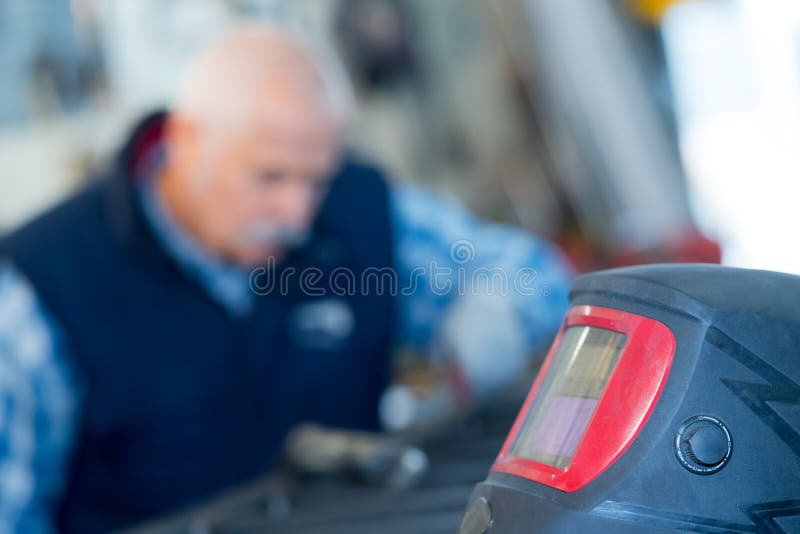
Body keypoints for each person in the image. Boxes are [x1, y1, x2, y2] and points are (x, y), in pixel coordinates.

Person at [0, 24, 573, 533]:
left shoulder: (359, 213)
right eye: (269, 176)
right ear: (184, 143)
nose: (298, 212)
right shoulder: (38, 293)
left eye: (315, 178)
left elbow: (525, 273)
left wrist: (489, 322)